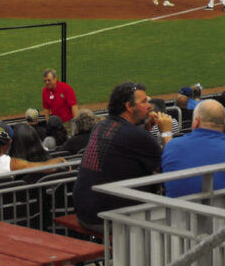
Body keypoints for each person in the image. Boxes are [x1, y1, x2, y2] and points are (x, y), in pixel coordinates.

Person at [73, 82, 174, 233]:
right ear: (129, 106)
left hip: (86, 212)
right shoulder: (137, 136)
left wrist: (145, 129)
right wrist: (166, 133)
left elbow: (125, 148)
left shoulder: (100, 125)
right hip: (109, 219)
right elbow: (171, 168)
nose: (149, 106)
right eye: (144, 102)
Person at [161, 100, 225, 197]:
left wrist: (166, 134)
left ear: (196, 121)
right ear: (224, 123)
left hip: (177, 216)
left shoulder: (171, 146)